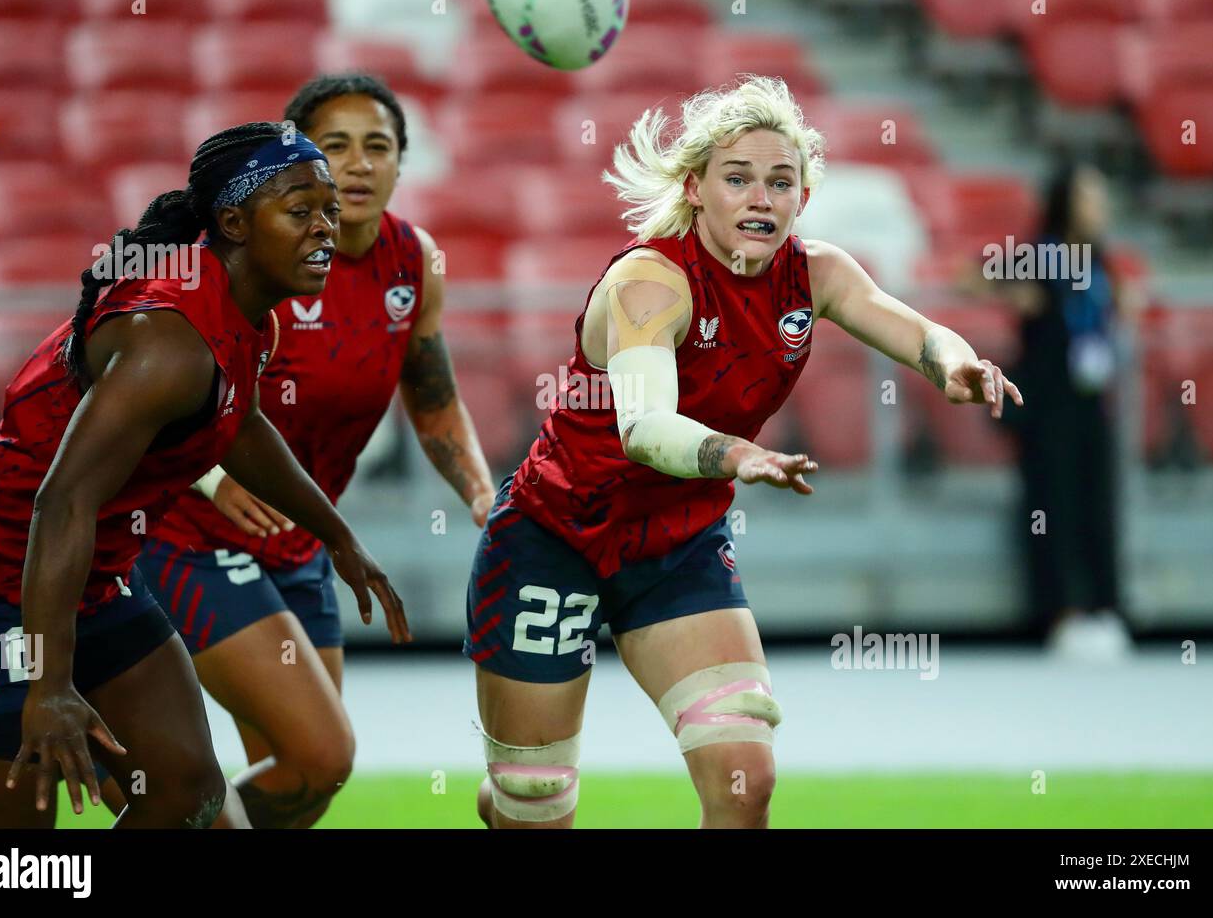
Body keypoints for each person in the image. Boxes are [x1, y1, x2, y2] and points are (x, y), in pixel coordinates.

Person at [463, 76, 1022, 829]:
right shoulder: (648, 282)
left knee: (745, 780)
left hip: (677, 541)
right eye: (738, 178)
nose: (761, 197)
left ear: (803, 198)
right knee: (535, 803)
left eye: (780, 182)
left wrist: (953, 363)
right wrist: (737, 457)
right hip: (554, 534)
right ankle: (505, 801)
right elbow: (645, 429)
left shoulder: (817, 273)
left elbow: (915, 329)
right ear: (696, 189)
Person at [0, 122, 409, 828]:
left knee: (190, 796)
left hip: (88, 582)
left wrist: (337, 536)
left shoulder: (246, 318)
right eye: (300, 210)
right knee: (19, 854)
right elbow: (61, 502)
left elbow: (238, 424)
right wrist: (51, 684)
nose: (325, 230)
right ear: (233, 222)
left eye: (331, 213)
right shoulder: (168, 343)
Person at [121, 75, 493, 829]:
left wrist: (487, 498)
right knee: (321, 753)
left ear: (400, 163)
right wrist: (215, 474)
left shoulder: (413, 261)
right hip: (189, 538)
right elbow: (154, 389)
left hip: (302, 544)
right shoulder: (249, 257)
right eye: (335, 147)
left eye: (378, 146)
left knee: (298, 786)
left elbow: (432, 394)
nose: (357, 165)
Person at [998, 162, 1134, 660]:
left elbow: (1102, 311)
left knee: (1098, 505)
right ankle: (1057, 613)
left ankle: (1105, 607)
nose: (1101, 208)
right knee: (1049, 508)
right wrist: (1013, 292)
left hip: (1092, 401)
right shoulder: (1040, 254)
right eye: (1091, 198)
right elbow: (973, 273)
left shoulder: (1099, 260)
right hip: (1048, 405)